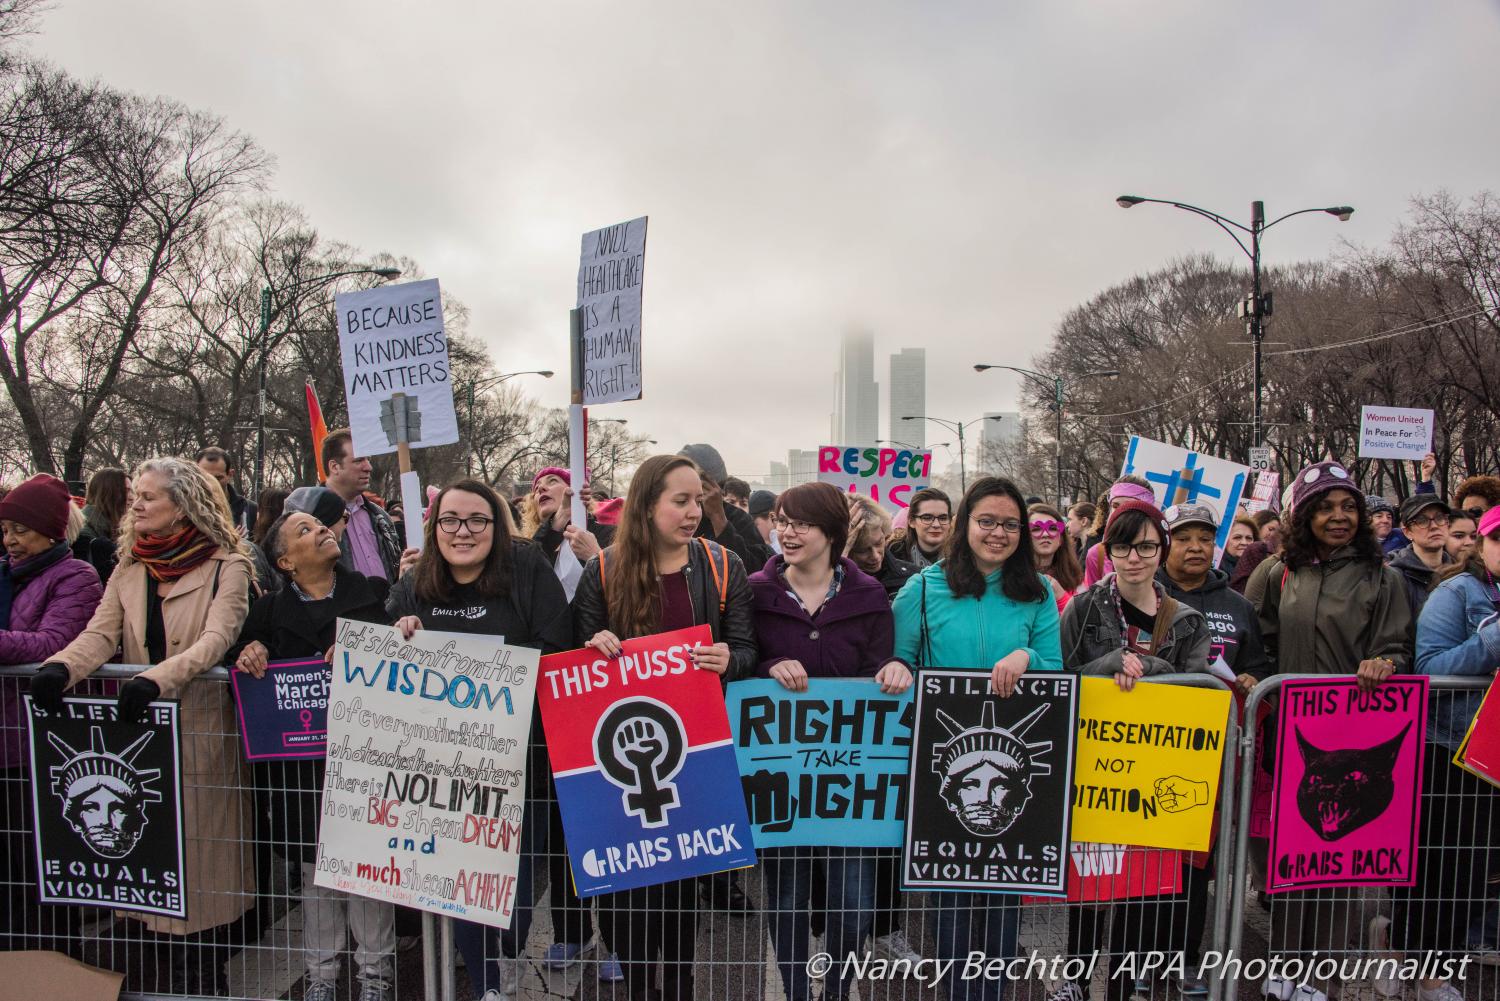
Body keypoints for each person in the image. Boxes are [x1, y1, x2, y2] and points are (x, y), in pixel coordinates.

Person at [29, 457, 255, 996]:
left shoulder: (229, 566)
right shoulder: (128, 565)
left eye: (149, 496)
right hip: (138, 743)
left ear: (183, 505)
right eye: (136, 494)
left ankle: (203, 985)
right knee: (147, 882)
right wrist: (59, 668)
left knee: (200, 890)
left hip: (198, 737)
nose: (137, 504)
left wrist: (156, 679)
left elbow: (216, 640)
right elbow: (100, 633)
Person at [572, 454, 756, 1001]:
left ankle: (678, 987)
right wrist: (592, 648)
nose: (694, 511)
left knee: (678, 897)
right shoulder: (602, 570)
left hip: (695, 756)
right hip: (620, 760)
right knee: (628, 899)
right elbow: (574, 664)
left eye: (698, 499)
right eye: (681, 500)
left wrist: (730, 658)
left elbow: (748, 649)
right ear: (647, 506)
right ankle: (637, 988)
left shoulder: (724, 566)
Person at [385, 480, 573, 1001]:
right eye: (450, 520)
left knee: (512, 883)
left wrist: (498, 675)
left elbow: (557, 642)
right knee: (457, 882)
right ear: (435, 525)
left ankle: (507, 956)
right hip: (441, 766)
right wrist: (397, 630)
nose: (462, 532)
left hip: (521, 758)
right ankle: (490, 982)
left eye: (476, 520)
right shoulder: (416, 581)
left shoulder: (526, 568)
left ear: (496, 524)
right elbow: (384, 647)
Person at [891, 476, 1062, 1001]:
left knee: (1002, 915)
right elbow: (898, 659)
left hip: (1013, 779)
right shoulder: (922, 589)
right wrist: (898, 666)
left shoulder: (1038, 594)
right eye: (987, 521)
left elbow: (1054, 668)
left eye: (1011, 525)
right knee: (951, 911)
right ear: (965, 525)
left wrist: (1024, 658)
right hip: (946, 771)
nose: (999, 533)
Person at [1252, 461, 1413, 1001]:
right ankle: (1284, 966)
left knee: (1341, 859)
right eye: (1325, 507)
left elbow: (1396, 645)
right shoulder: (1279, 572)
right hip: (1297, 737)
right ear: (1304, 515)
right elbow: (1261, 637)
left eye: (1348, 507)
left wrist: (1384, 662)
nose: (1338, 516)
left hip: (1357, 737)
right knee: (1292, 855)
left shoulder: (1381, 577)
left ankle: (1324, 975)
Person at [749, 482, 912, 1001]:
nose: (787, 532)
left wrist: (894, 669)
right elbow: (739, 660)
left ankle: (838, 988)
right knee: (789, 897)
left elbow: (881, 664)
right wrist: (770, 665)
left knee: (854, 902)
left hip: (851, 783)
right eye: (781, 520)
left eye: (801, 523)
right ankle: (797, 989)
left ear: (833, 533)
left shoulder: (868, 597)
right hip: (782, 780)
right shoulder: (754, 593)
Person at [228, 511, 394, 1001]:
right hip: (301, 771)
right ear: (284, 561)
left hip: (365, 759)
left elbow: (403, 653)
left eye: (321, 525)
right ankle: (321, 976)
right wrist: (249, 649)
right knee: (316, 877)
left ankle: (375, 975)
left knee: (367, 873)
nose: (322, 529)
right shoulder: (268, 611)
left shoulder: (370, 592)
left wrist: (369, 646)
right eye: (304, 530)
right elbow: (237, 654)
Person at [1056, 499, 1212, 1001]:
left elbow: (1202, 688)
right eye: (1124, 546)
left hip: (1156, 772)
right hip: (1094, 767)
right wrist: (1107, 665)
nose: (1135, 557)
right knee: (1090, 883)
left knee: (1139, 888)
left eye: (1147, 546)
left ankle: (1124, 987)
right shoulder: (1082, 609)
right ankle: (1076, 979)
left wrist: (1153, 670)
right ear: (1109, 549)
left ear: (1160, 549)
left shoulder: (1185, 620)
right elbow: (1060, 678)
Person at [1393, 505, 1500, 1001]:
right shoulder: (1456, 592)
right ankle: (1427, 971)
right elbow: (1430, 670)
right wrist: (1494, 638)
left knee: (1480, 871)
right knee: (1448, 869)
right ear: (1481, 544)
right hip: (1454, 752)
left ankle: (1410, 951)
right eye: (1498, 540)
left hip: (1496, 756)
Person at [0, 474, 105, 952]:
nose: (10, 541)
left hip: (37, 748)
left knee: (39, 875)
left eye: (19, 529)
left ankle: (53, 969)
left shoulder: (76, 577)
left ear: (51, 530)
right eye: (4, 530)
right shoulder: (5, 573)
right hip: (7, 745)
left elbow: (51, 645)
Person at [321, 429, 404, 582]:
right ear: (334, 467)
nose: (368, 467)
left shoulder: (380, 516)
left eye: (368, 459)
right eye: (359, 460)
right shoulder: (310, 516)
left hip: (386, 605)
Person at [677, 444, 773, 571]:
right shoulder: (672, 516)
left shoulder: (738, 519)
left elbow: (754, 571)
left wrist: (718, 518)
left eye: (720, 486)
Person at [524, 467, 614, 601]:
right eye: (537, 488)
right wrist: (559, 519)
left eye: (552, 481)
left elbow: (631, 592)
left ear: (574, 490)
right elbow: (523, 579)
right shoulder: (527, 546)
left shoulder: (611, 535)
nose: (541, 488)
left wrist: (595, 556)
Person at [1386, 495, 1454, 618]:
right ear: (1407, 532)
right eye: (1422, 520)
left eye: (1439, 518)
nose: (1434, 526)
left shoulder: (1460, 572)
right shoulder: (1394, 579)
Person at [1082, 476, 1156, 587]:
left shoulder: (1161, 550)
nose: (1120, 512)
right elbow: (1092, 599)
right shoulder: (1097, 554)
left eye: (1129, 505)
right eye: (1115, 506)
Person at [845, 495, 917, 600]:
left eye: (879, 543)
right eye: (862, 550)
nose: (875, 556)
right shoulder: (827, 585)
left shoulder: (914, 577)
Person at [73, 466, 131, 583]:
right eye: (127, 491)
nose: (132, 497)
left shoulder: (113, 526)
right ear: (109, 493)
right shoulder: (83, 535)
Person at [1028, 502, 1083, 612]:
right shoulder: (1012, 578)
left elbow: (1082, 621)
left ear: (1061, 539)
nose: (1045, 534)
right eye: (1036, 529)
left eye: (1052, 528)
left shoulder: (1074, 578)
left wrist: (1061, 597)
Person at [195, 446, 257, 537]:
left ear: (230, 474)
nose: (211, 484)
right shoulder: (185, 509)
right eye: (205, 478)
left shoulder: (249, 509)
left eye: (218, 478)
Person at [887, 486, 951, 570]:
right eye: (927, 517)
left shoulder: (963, 556)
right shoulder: (892, 555)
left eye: (943, 518)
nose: (936, 524)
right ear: (911, 521)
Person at [1222, 514, 1258, 579]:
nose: (1244, 543)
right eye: (1237, 537)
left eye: (1249, 538)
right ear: (1225, 540)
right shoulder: (1215, 569)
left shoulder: (1259, 568)